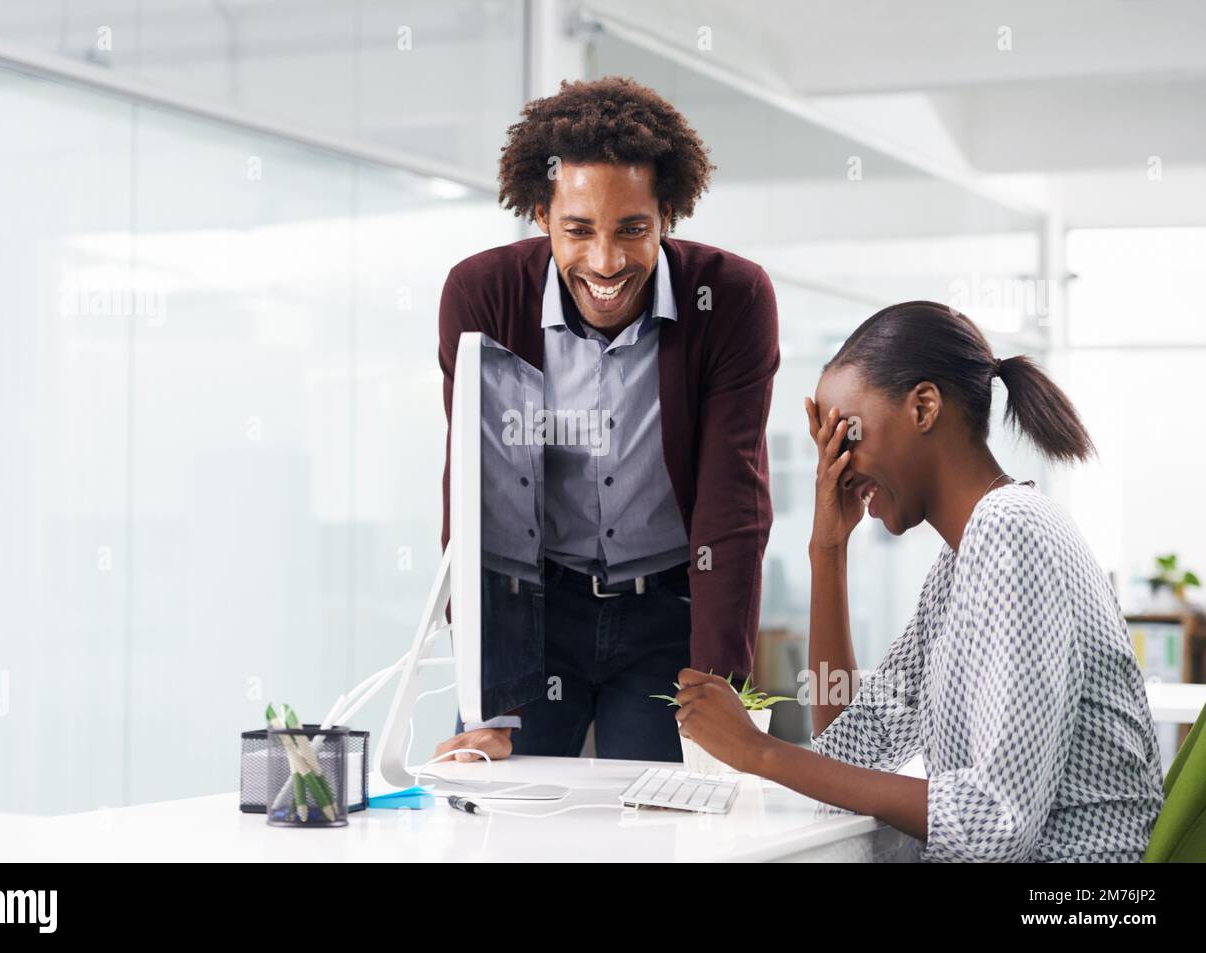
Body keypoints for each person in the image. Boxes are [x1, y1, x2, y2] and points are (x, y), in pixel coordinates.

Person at [673, 301, 1164, 862]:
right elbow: (849, 754)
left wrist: (759, 752)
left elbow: (994, 827)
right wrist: (828, 550)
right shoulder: (959, 567)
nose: (839, 464)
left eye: (847, 434)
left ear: (924, 407)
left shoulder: (1013, 531)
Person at [434, 77, 780, 763]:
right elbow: (477, 499)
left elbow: (732, 505)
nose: (606, 261)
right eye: (578, 229)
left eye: (633, 229)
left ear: (668, 215)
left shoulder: (733, 299)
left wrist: (721, 684)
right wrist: (487, 696)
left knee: (667, 824)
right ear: (540, 213)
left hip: (668, 619)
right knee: (504, 818)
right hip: (533, 612)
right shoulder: (482, 294)